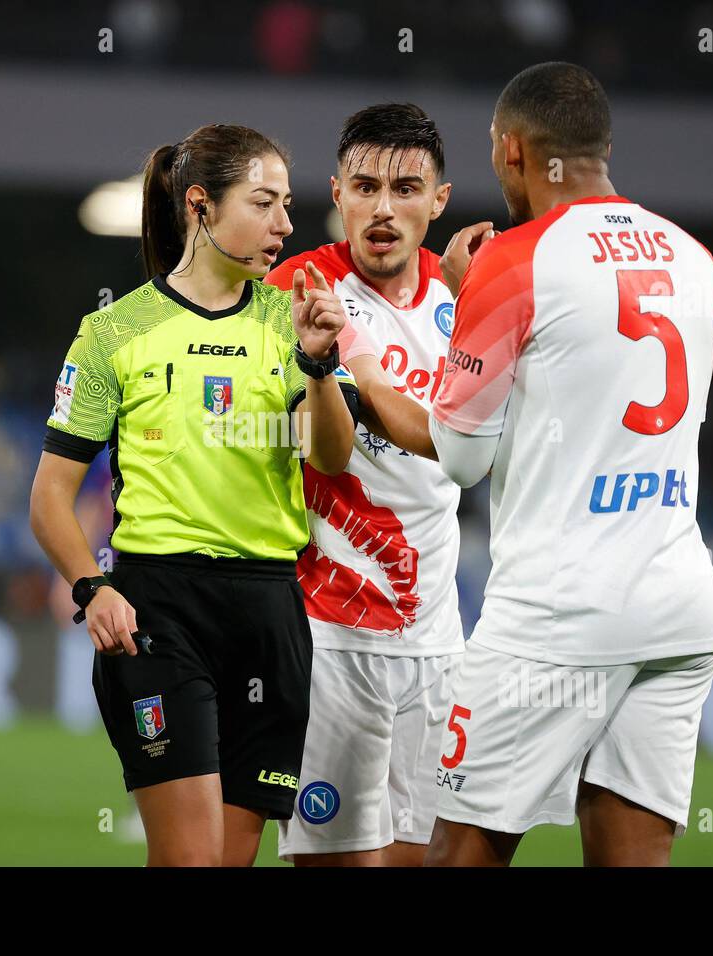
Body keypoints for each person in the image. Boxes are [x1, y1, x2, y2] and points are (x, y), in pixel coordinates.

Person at [30, 124, 366, 867]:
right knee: (190, 859)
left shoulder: (294, 319)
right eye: (263, 202)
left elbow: (333, 458)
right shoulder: (113, 332)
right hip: (157, 611)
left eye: (287, 205)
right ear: (200, 206)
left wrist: (318, 364)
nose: (284, 224)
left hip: (270, 611)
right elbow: (50, 496)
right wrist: (93, 587)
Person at [424, 63, 713, 866]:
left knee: (459, 851)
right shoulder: (696, 260)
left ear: (512, 150)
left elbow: (461, 460)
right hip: (679, 607)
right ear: (603, 148)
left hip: (559, 612)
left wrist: (467, 307)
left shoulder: (514, 261)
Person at [265, 104, 491, 866]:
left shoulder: (463, 296)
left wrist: (475, 309)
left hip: (436, 640)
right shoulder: (303, 286)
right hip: (329, 633)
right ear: (337, 192)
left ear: (440, 199)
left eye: (406, 188)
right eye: (364, 186)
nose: (383, 207)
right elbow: (362, 430)